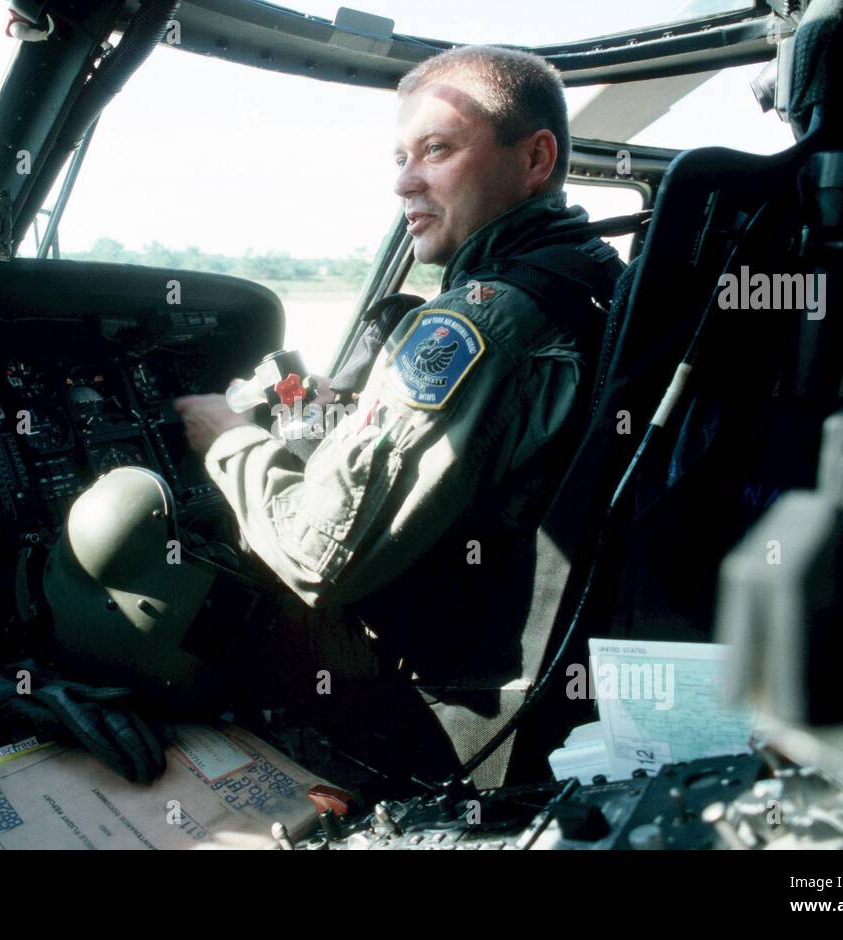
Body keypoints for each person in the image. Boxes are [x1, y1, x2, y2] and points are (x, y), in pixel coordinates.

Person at [174, 45, 620, 785]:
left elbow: (317, 556)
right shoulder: (590, 275)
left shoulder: (478, 321)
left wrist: (230, 439)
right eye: (400, 157)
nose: (404, 181)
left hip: (462, 699)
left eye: (437, 151)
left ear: (535, 158)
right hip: (547, 656)